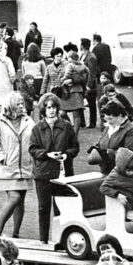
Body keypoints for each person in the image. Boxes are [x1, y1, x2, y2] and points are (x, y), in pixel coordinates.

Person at [28, 95, 78, 244]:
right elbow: (33, 149)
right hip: (43, 173)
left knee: (61, 208)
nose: (51, 110)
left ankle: (60, 240)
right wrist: (47, 154)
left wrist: (65, 155)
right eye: (48, 107)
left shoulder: (66, 126)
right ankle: (43, 240)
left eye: (54, 107)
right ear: (44, 109)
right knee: (43, 208)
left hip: (62, 173)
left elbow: (75, 147)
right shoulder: (37, 128)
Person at [0, 92, 36, 239]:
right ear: (11, 105)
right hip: (7, 168)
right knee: (14, 198)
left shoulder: (28, 121)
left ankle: (16, 234)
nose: (22, 106)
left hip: (25, 167)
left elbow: (35, 140)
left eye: (22, 103)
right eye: (18, 103)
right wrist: (2, 158)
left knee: (21, 201)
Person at [89, 100, 133, 174]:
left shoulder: (131, 131)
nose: (108, 122)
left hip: (123, 173)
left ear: (119, 116)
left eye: (110, 118)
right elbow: (101, 142)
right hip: (106, 170)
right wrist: (96, 148)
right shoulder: (108, 127)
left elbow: (128, 155)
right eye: (106, 119)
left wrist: (107, 152)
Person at [79, 39, 101, 127]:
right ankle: (82, 122)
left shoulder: (91, 57)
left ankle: (92, 122)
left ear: (83, 46)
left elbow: (92, 73)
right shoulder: (83, 55)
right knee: (81, 103)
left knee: (91, 104)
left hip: (89, 84)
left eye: (81, 45)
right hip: (83, 83)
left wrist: (89, 85)